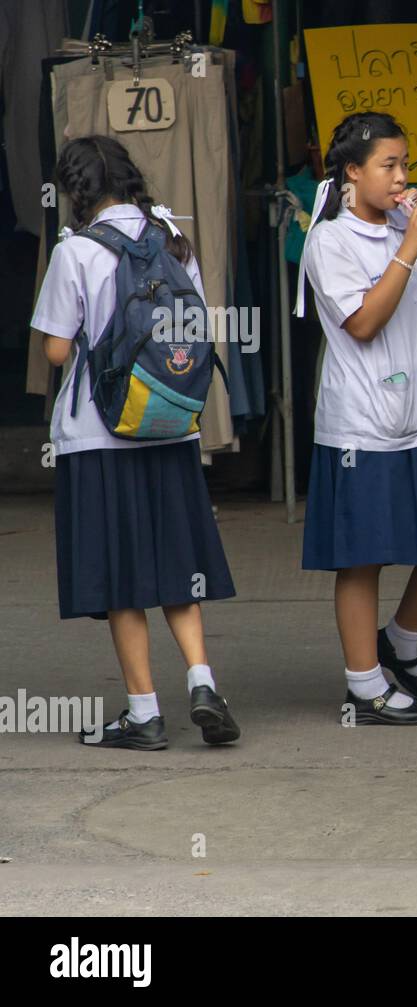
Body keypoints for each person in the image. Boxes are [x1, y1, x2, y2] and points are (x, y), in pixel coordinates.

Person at [30, 135, 240, 750]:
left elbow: (56, 348)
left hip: (99, 435)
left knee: (123, 578)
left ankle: (144, 713)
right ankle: (202, 680)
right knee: (177, 565)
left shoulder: (75, 250)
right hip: (171, 421)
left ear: (75, 191)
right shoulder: (173, 236)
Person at [296, 111, 417, 726]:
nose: (402, 176)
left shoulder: (404, 222)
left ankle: (400, 643)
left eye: (406, 164)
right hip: (360, 425)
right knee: (364, 557)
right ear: (352, 172)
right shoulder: (329, 241)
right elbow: (362, 323)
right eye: (389, 164)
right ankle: (364, 687)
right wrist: (406, 246)